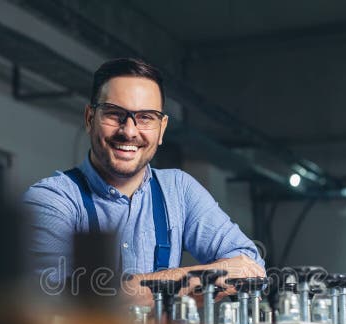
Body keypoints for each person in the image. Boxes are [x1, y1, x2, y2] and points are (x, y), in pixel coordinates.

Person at [23, 57, 264, 301]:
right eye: (114, 114)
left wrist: (149, 291)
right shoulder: (50, 200)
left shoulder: (179, 190)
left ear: (162, 129)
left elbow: (251, 266)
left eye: (145, 117)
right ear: (89, 119)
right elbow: (61, 297)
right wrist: (197, 279)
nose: (129, 131)